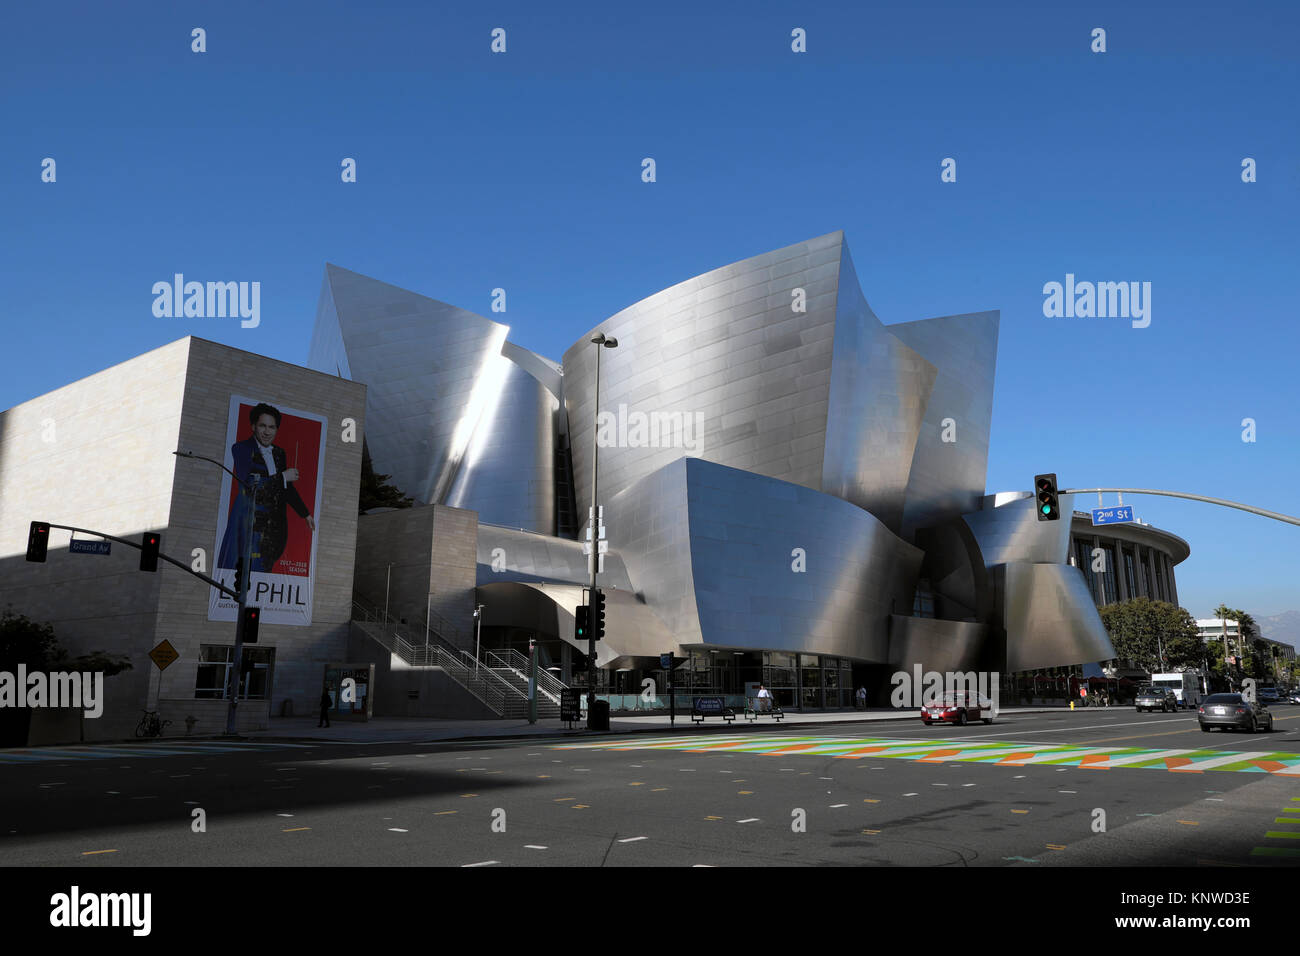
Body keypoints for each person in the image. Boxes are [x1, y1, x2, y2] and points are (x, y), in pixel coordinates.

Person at [217, 402, 316, 590]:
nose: (267, 432)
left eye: (272, 427)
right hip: (249, 523)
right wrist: (282, 477)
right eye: (262, 426)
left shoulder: (279, 453)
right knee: (243, 574)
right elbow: (248, 483)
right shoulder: (241, 448)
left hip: (273, 530)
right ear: (253, 426)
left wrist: (305, 514)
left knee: (261, 574)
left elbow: (286, 489)